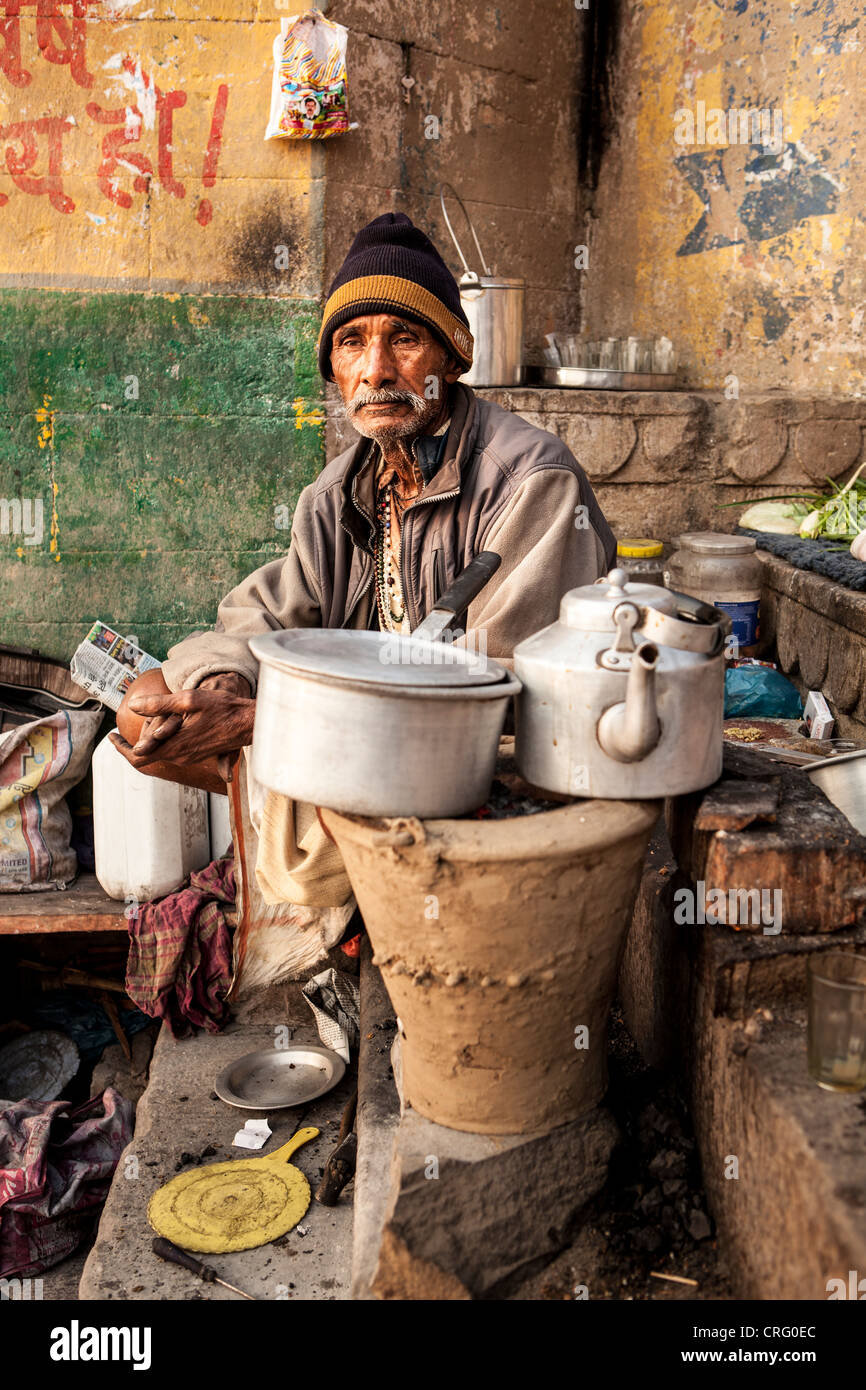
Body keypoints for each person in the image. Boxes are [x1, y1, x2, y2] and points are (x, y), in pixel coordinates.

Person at [113, 212, 616, 906]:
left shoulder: (531, 480)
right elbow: (264, 614)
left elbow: (507, 690)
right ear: (335, 369)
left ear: (451, 356)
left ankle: (351, 911)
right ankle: (341, 904)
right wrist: (224, 683)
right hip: (373, 747)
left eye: (404, 340)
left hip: (483, 757)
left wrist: (274, 719)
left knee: (285, 767)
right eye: (352, 343)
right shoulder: (339, 493)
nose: (376, 370)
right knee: (144, 714)